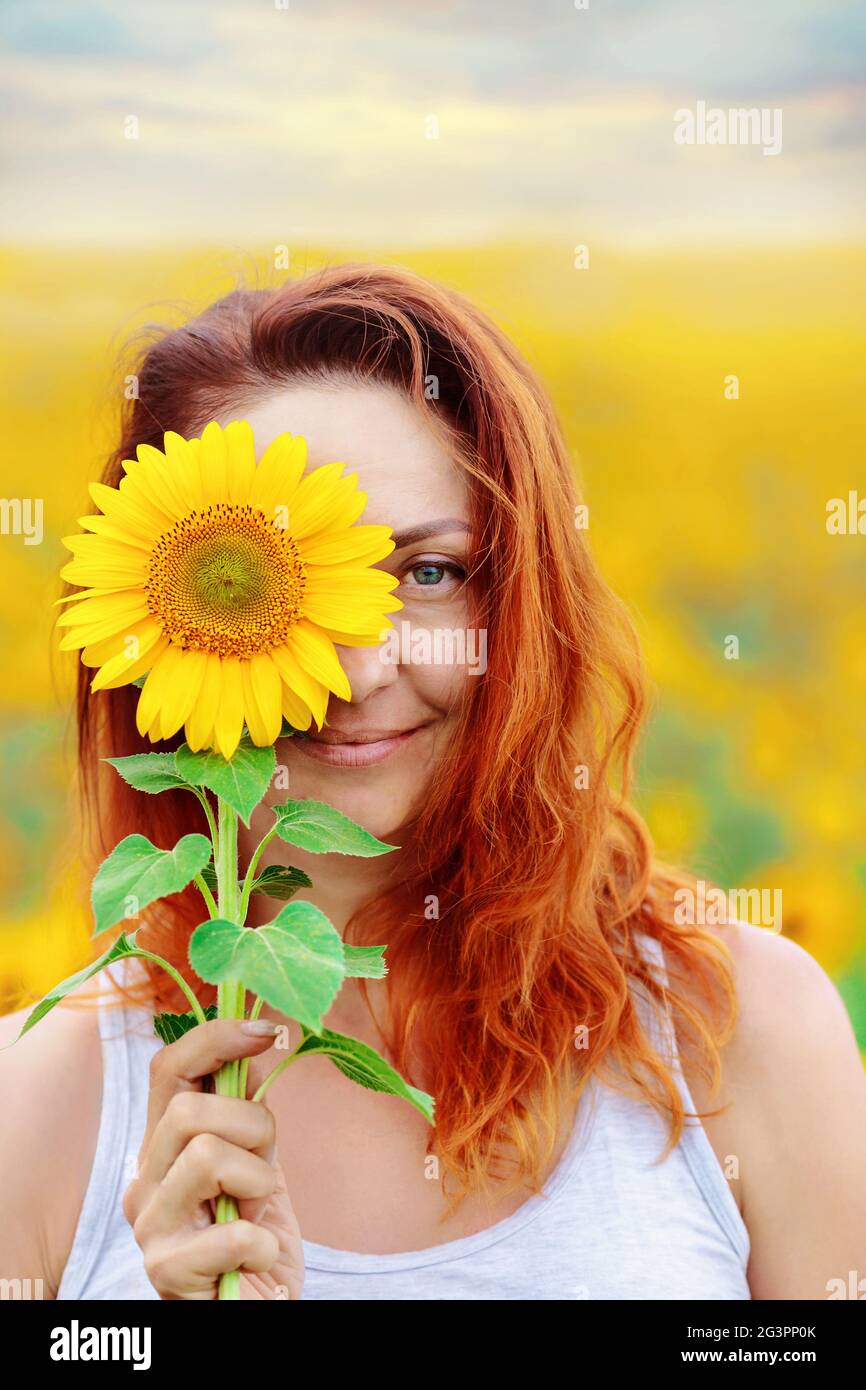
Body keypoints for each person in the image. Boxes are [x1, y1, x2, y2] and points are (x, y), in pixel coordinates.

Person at [1, 263, 864, 1300]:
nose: (357, 670)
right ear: (161, 612)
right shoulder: (39, 1109)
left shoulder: (734, 1033)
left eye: (428, 573)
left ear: (523, 595)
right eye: (279, 580)